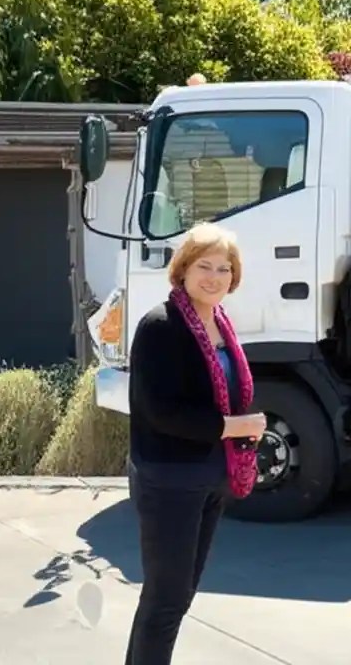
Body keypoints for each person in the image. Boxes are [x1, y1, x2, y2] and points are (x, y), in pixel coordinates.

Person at [124, 222, 267, 665]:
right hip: (169, 477)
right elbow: (159, 411)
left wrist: (235, 430)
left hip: (209, 476)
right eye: (204, 266)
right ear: (182, 270)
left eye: (224, 269)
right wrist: (233, 427)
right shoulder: (161, 327)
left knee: (179, 597)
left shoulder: (220, 323)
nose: (214, 277)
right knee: (165, 600)